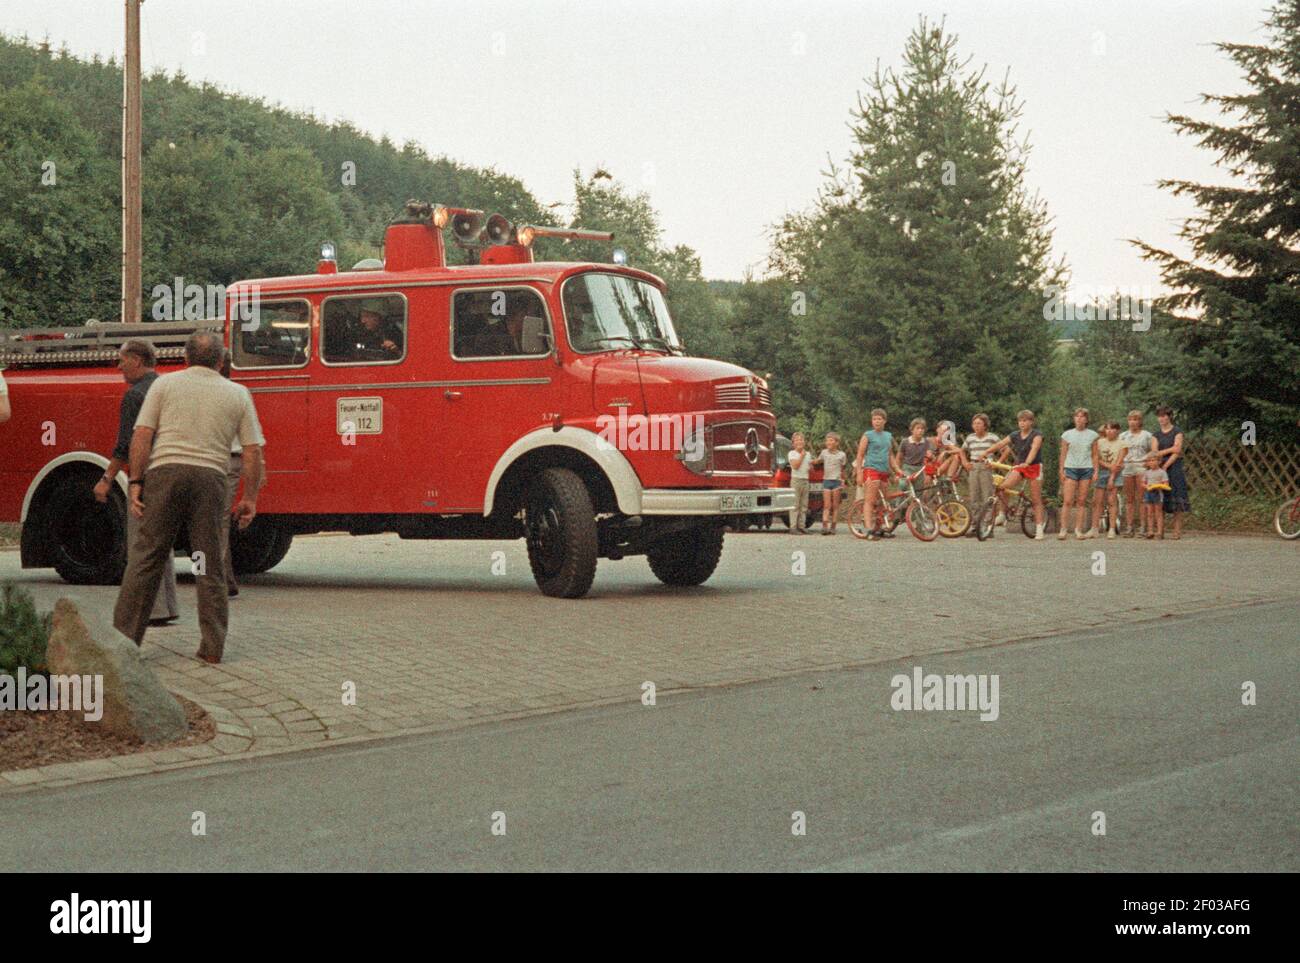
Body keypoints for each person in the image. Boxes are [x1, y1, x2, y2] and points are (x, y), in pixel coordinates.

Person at [112, 332, 265, 664]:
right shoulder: (238, 393)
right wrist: (249, 497)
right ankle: (212, 648)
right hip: (210, 477)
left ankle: (123, 643)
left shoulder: (164, 386)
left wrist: (136, 481)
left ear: (185, 358)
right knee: (207, 561)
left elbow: (142, 435)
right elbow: (253, 452)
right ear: (221, 362)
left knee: (147, 558)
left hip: (165, 472)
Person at [94, 339, 179, 624]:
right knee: (161, 543)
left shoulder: (135, 395)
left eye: (122, 360)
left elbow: (126, 445)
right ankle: (167, 606)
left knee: (141, 544)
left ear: (137, 361)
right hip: (173, 471)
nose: (118, 366)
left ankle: (150, 612)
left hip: (148, 474)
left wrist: (108, 478)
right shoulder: (167, 387)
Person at [218, 349, 267, 597]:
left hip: (213, 461)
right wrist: (253, 489)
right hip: (234, 461)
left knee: (212, 523)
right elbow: (253, 444)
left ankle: (218, 580)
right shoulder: (239, 393)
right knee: (219, 522)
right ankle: (223, 580)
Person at [984, 409, 1047, 539]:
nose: (1022, 423)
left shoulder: (1037, 435)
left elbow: (1034, 449)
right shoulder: (1015, 435)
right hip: (1019, 466)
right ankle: (1002, 514)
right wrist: (986, 452)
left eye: (1025, 420)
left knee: (1036, 499)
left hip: (1033, 467)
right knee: (1002, 487)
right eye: (1020, 421)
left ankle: (1039, 528)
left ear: (1031, 422)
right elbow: (1001, 443)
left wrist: (1027, 462)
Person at [853, 409, 896, 540]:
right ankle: (868, 528)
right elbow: (860, 455)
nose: (877, 421)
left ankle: (879, 527)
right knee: (870, 500)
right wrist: (859, 473)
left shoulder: (888, 435)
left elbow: (890, 455)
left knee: (883, 500)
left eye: (879, 419)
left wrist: (897, 470)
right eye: (874, 419)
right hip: (871, 468)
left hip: (884, 470)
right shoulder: (868, 435)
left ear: (884, 421)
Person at [1059, 407, 1100, 540]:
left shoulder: (1093, 435)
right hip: (1070, 468)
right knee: (1067, 500)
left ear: (1086, 419)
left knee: (1081, 501)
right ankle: (1063, 529)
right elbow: (1063, 454)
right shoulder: (1067, 435)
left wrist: (1095, 471)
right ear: (1074, 418)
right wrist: (1061, 470)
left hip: (1086, 468)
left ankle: (1078, 530)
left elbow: (1094, 455)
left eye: (1082, 416)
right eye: (1077, 416)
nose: (1079, 419)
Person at [1152, 406, 1190, 539]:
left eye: (1164, 416)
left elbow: (1177, 450)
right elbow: (1154, 452)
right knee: (1160, 498)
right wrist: (1161, 463)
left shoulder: (1177, 431)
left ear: (1169, 416)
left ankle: (1177, 531)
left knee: (1177, 498)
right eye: (1160, 416)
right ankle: (1160, 531)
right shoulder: (1156, 435)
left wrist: (1166, 464)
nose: (1162, 418)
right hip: (1158, 466)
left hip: (1175, 467)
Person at [959, 413, 1000, 533]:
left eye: (979, 423)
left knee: (987, 496)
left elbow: (1006, 449)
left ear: (985, 425)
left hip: (986, 467)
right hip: (973, 466)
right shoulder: (970, 438)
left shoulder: (992, 437)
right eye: (974, 423)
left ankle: (987, 525)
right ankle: (975, 524)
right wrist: (965, 462)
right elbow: (962, 450)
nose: (976, 426)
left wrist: (997, 462)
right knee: (974, 496)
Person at [1087, 420, 1127, 540]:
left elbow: (1119, 462)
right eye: (1107, 429)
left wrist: (1112, 478)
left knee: (1111, 501)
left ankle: (1112, 529)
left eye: (1112, 429)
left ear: (1117, 431)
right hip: (1102, 471)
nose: (1109, 431)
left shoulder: (1122, 444)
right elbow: (1096, 458)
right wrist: (1107, 467)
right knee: (1097, 501)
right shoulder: (1099, 442)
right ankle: (1094, 529)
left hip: (1116, 473)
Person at [1118, 410, 1155, 537]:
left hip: (1141, 467)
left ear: (1140, 421)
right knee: (1129, 499)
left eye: (1136, 419)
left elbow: (1154, 451)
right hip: (1127, 467)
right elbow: (1119, 451)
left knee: (1142, 498)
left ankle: (1143, 527)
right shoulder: (1123, 436)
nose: (1133, 422)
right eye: (1130, 419)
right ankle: (1129, 527)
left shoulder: (1147, 435)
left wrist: (1148, 461)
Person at [813, 432, 847, 535]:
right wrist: (810, 461)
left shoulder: (842, 455)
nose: (828, 442)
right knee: (827, 505)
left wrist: (843, 481)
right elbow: (818, 461)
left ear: (837, 442)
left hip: (836, 481)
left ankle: (833, 526)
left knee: (835, 506)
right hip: (826, 481)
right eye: (827, 440)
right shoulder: (824, 452)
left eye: (831, 440)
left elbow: (843, 469)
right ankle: (824, 526)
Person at [898, 419, 934, 490]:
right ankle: (899, 500)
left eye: (922, 429)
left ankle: (915, 501)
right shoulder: (905, 442)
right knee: (903, 485)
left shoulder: (926, 442)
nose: (920, 430)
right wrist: (898, 472)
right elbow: (899, 458)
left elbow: (930, 456)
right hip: (907, 467)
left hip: (919, 469)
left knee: (918, 490)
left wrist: (931, 456)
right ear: (912, 430)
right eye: (918, 428)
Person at [787, 431, 812, 534]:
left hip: (805, 480)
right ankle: (793, 527)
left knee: (804, 505)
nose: (799, 442)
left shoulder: (808, 454)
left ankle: (802, 526)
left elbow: (809, 467)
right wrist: (801, 456)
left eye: (801, 439)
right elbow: (795, 466)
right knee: (795, 505)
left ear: (804, 442)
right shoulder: (792, 453)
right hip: (796, 480)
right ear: (793, 443)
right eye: (797, 440)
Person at [1141, 453, 1170, 539]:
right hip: (1148, 493)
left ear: (1159, 461)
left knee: (1158, 513)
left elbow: (1166, 483)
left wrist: (1159, 486)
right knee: (1149, 512)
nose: (1151, 463)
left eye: (1153, 460)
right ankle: (1150, 531)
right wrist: (1147, 487)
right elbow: (1142, 483)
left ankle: (1159, 532)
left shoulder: (1162, 472)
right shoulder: (1147, 472)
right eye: (1149, 461)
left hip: (1157, 493)